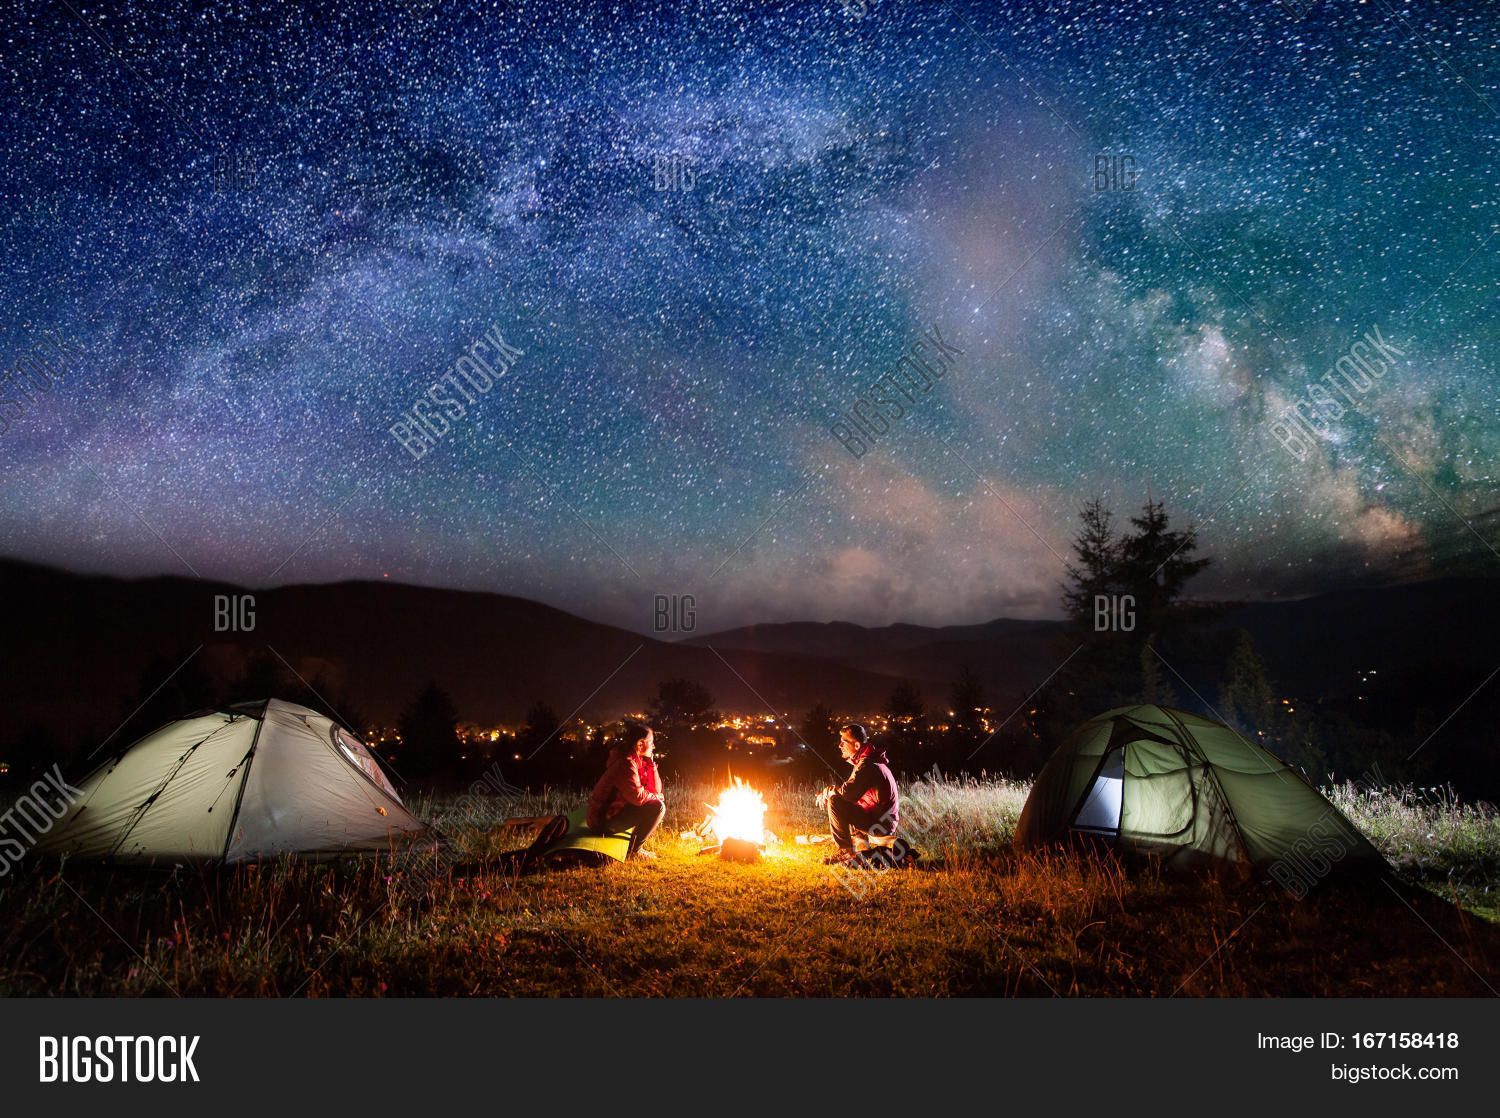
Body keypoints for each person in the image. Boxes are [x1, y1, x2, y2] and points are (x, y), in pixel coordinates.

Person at [815, 723, 898, 864]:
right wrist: (831, 792)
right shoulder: (868, 761)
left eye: (844, 742)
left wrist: (829, 792)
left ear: (857, 745)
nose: (840, 745)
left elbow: (847, 794)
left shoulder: (867, 765)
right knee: (840, 800)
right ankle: (861, 849)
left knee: (835, 802)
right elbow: (851, 791)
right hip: (880, 820)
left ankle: (846, 854)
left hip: (880, 824)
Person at [586, 721, 665, 860]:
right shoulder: (626, 763)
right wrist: (656, 797)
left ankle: (633, 848)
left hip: (612, 814)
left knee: (655, 804)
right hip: (602, 822)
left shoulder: (637, 760)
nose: (653, 746)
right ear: (640, 744)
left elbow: (656, 790)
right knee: (658, 807)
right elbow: (637, 797)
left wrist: (652, 766)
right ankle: (633, 851)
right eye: (651, 742)